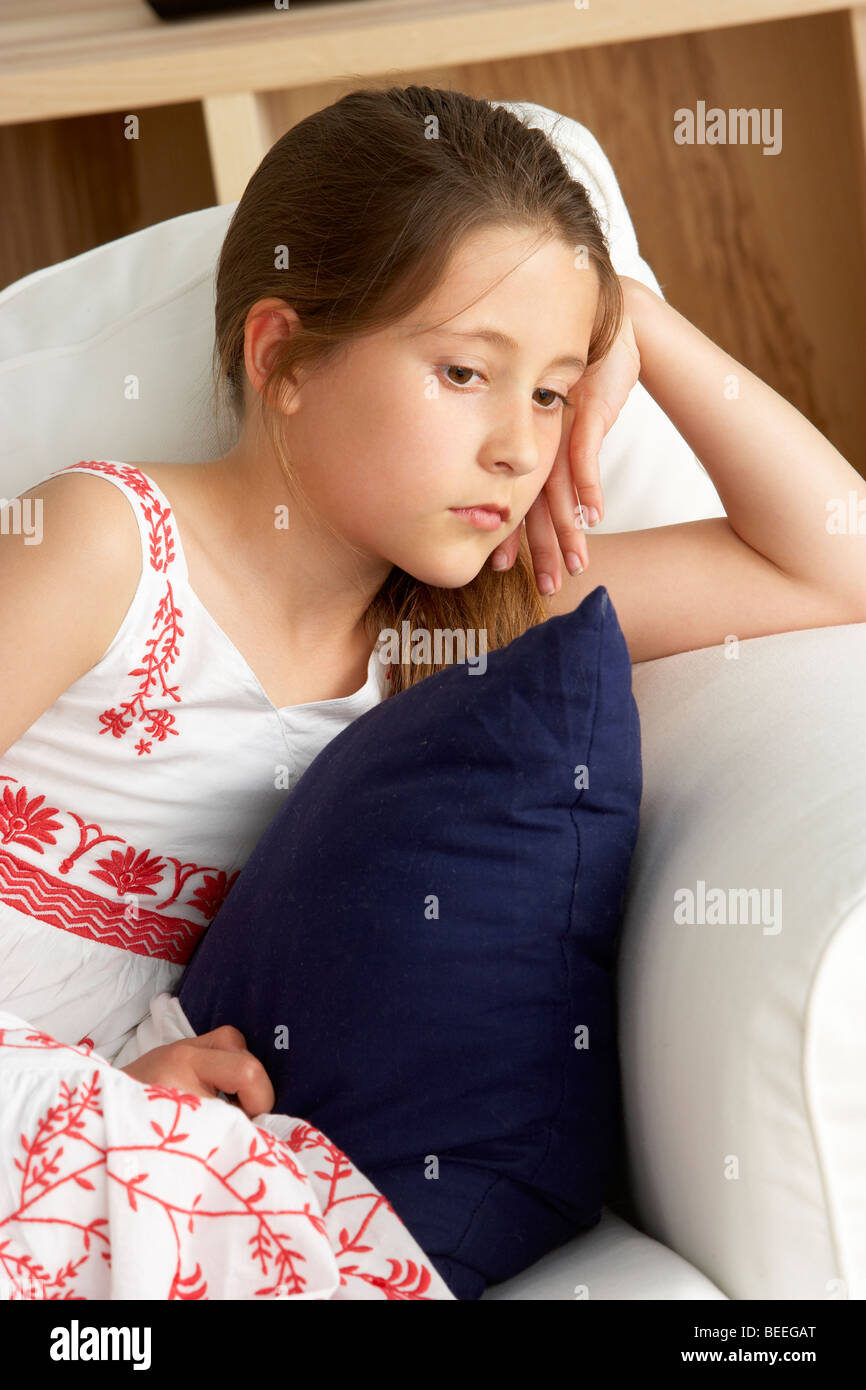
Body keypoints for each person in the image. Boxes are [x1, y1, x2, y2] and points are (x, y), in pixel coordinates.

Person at [1, 83, 864, 1301]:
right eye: (467, 372)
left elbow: (837, 556)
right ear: (282, 357)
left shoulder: (460, 627)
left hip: (137, 1115)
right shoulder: (104, 542)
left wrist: (637, 324)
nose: (521, 445)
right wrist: (90, 1101)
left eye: (552, 391)